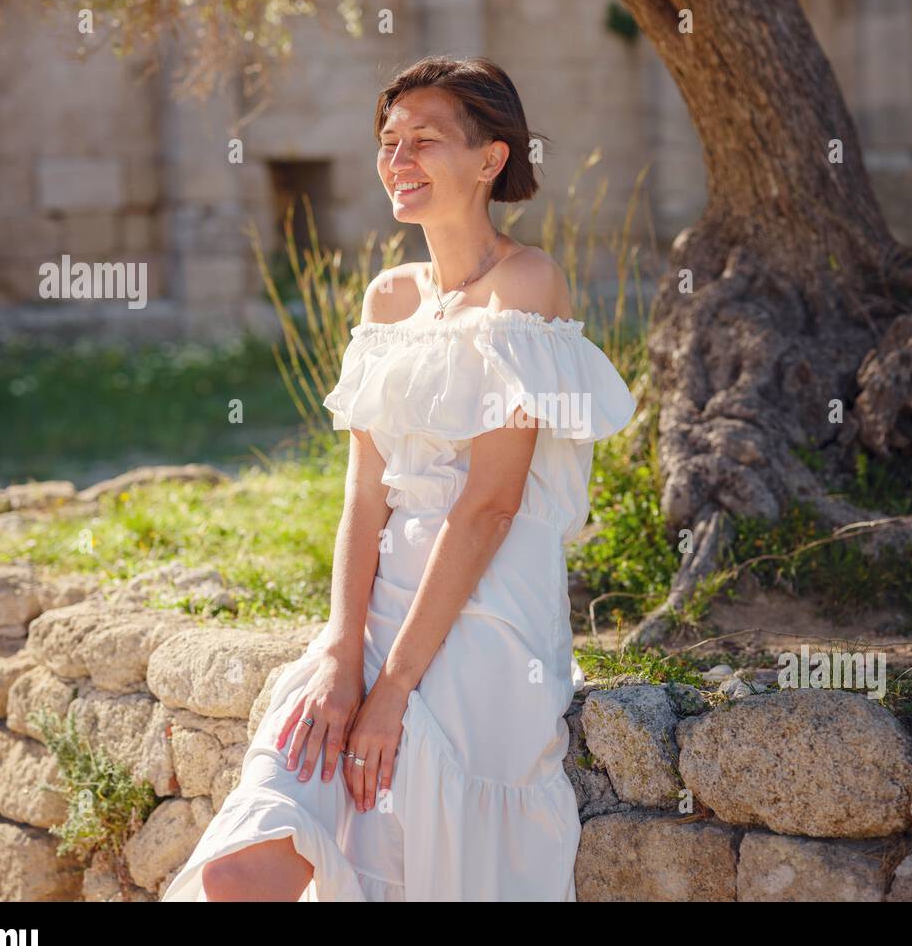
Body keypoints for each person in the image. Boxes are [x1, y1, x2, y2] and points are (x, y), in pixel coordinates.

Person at [161, 55, 636, 902]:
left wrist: (393, 687)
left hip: (485, 609)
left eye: (424, 140)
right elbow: (362, 497)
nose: (399, 159)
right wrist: (344, 653)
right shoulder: (387, 299)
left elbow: (490, 508)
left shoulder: (526, 284)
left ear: (490, 159)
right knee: (240, 867)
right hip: (377, 609)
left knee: (404, 803)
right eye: (389, 141)